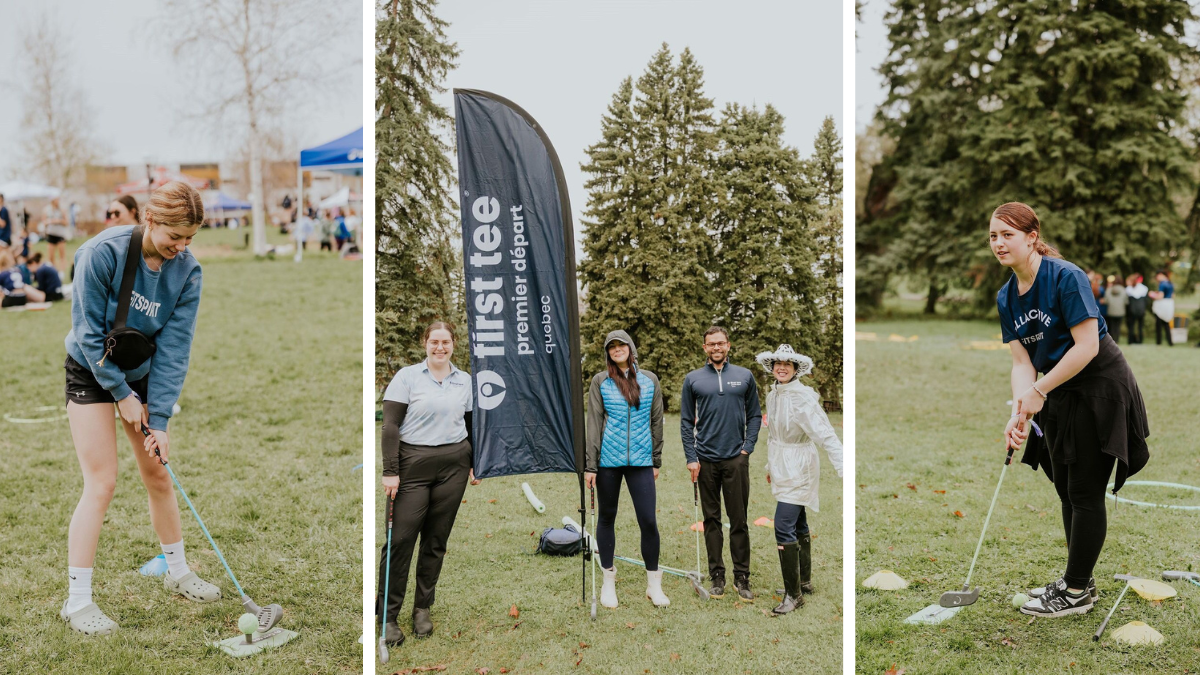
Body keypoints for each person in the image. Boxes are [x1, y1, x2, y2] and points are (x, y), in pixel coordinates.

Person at [60, 181, 213, 636]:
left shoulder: (188, 271)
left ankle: (178, 571)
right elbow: (87, 332)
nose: (181, 247)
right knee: (102, 482)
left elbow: (175, 349)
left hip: (141, 371)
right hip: (91, 369)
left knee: (158, 474)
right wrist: (120, 394)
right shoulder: (100, 253)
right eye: (174, 236)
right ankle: (77, 601)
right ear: (150, 219)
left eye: (190, 238)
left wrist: (158, 418)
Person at [989, 202, 1149, 618]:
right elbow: (1022, 363)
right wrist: (1019, 411)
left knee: (1084, 490)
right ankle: (1081, 581)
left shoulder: (1065, 277)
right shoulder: (1006, 297)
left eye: (1008, 234)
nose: (999, 243)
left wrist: (1038, 390)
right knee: (1064, 487)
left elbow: (1088, 346)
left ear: (1032, 238)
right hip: (1057, 389)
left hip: (1099, 386)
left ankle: (1075, 591)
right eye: (993, 236)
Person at [378, 321, 478, 647]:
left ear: (453, 344)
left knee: (436, 540)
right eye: (434, 341)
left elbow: (472, 424)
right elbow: (390, 426)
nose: (440, 347)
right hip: (412, 465)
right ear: (425, 343)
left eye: (445, 342)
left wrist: (477, 462)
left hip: (454, 465)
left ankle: (422, 608)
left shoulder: (465, 380)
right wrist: (390, 471)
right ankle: (387, 616)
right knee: (400, 540)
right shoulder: (407, 377)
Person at [754, 344, 843, 615]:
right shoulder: (774, 394)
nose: (781, 368)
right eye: (777, 364)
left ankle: (794, 596)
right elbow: (774, 436)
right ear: (772, 367)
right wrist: (771, 465)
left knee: (783, 525)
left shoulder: (803, 397)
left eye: (787, 364)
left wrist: (844, 467)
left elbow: (825, 434)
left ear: (795, 369)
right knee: (798, 521)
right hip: (782, 464)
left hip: (800, 465)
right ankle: (803, 582)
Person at [585, 330, 669, 609]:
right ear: (608, 353)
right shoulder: (600, 381)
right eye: (612, 346)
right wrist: (590, 465)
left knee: (648, 521)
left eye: (621, 345)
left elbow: (657, 420)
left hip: (641, 461)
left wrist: (655, 460)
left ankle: (653, 585)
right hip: (608, 462)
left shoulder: (649, 380)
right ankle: (608, 581)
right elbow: (594, 423)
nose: (617, 349)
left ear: (630, 348)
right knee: (606, 518)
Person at [681, 326, 762, 600]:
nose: (716, 347)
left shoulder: (744, 376)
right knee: (711, 520)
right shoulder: (693, 379)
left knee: (739, 520)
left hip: (735, 460)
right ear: (704, 348)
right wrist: (691, 457)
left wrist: (747, 449)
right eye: (711, 344)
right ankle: (717, 575)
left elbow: (754, 415)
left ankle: (742, 577)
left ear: (728, 345)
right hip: (705, 461)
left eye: (720, 343)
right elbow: (685, 421)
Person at [42, 197, 70, 271]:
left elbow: (67, 222)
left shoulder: (62, 209)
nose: (58, 201)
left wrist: (58, 221)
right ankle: (53, 271)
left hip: (60, 234)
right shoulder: (46, 209)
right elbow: (44, 222)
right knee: (51, 256)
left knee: (62, 255)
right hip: (51, 234)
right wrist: (49, 221)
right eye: (56, 199)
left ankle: (62, 271)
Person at [1149, 270, 1175, 346]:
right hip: (1169, 304)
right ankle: (1170, 342)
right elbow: (1172, 295)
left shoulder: (1162, 284)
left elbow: (1160, 296)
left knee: (1159, 324)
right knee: (1166, 323)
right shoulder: (1170, 283)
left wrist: (1152, 295)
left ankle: (1158, 342)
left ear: (1161, 275)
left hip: (1162, 305)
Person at [1125, 274, 1148, 345]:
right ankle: (1140, 340)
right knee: (1140, 326)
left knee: (1131, 325)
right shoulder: (1144, 288)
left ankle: (1131, 340)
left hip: (1132, 309)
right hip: (1141, 309)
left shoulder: (1128, 289)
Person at [1104, 275, 1126, 344]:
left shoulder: (1109, 289)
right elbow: (1126, 301)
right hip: (1120, 311)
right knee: (1118, 326)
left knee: (1112, 327)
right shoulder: (1123, 290)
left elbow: (1106, 301)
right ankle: (1117, 340)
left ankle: (1112, 340)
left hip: (1111, 311)